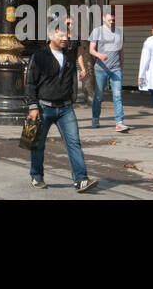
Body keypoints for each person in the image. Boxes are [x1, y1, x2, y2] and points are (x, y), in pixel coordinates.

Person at [24, 22, 98, 192]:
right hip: (43, 107)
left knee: (74, 143)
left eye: (66, 34)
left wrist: (70, 24)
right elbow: (30, 83)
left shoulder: (70, 54)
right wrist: (32, 106)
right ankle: (36, 176)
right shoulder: (39, 56)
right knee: (37, 144)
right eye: (60, 34)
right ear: (51, 36)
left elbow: (79, 43)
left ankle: (81, 179)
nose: (64, 38)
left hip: (66, 108)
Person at [88, 10, 127, 131]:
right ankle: (95, 118)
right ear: (103, 18)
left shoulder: (119, 32)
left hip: (115, 69)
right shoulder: (97, 31)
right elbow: (91, 50)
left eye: (114, 20)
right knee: (99, 96)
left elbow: (121, 50)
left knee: (117, 95)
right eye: (109, 19)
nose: (112, 22)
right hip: (101, 69)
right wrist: (99, 56)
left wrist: (122, 65)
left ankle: (119, 122)